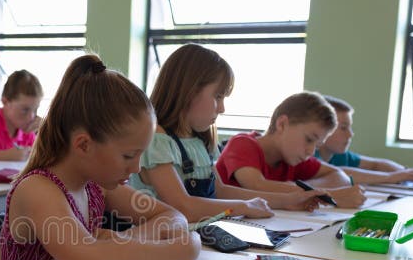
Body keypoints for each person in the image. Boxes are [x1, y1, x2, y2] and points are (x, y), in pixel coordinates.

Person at [0, 54, 200, 260]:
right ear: (84, 145)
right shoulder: (38, 189)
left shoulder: (96, 185)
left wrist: (123, 240)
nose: (136, 168)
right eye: (128, 155)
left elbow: (172, 216)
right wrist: (186, 248)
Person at [129, 44, 325, 222]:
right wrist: (243, 207)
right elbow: (182, 206)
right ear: (189, 91)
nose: (222, 108)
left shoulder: (198, 141)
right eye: (218, 96)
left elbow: (220, 191)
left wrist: (287, 200)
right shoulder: (156, 139)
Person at [216, 91, 366, 208]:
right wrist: (329, 195)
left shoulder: (293, 157)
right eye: (309, 139)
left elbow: (340, 176)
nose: (311, 151)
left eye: (317, 145)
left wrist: (306, 190)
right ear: (282, 124)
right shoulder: (242, 144)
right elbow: (256, 185)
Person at [316, 95, 413, 185]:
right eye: (343, 128)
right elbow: (338, 173)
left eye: (350, 127)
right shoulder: (310, 155)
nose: (350, 134)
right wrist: (392, 177)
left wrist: (409, 173)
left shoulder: (338, 155)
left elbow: (375, 164)